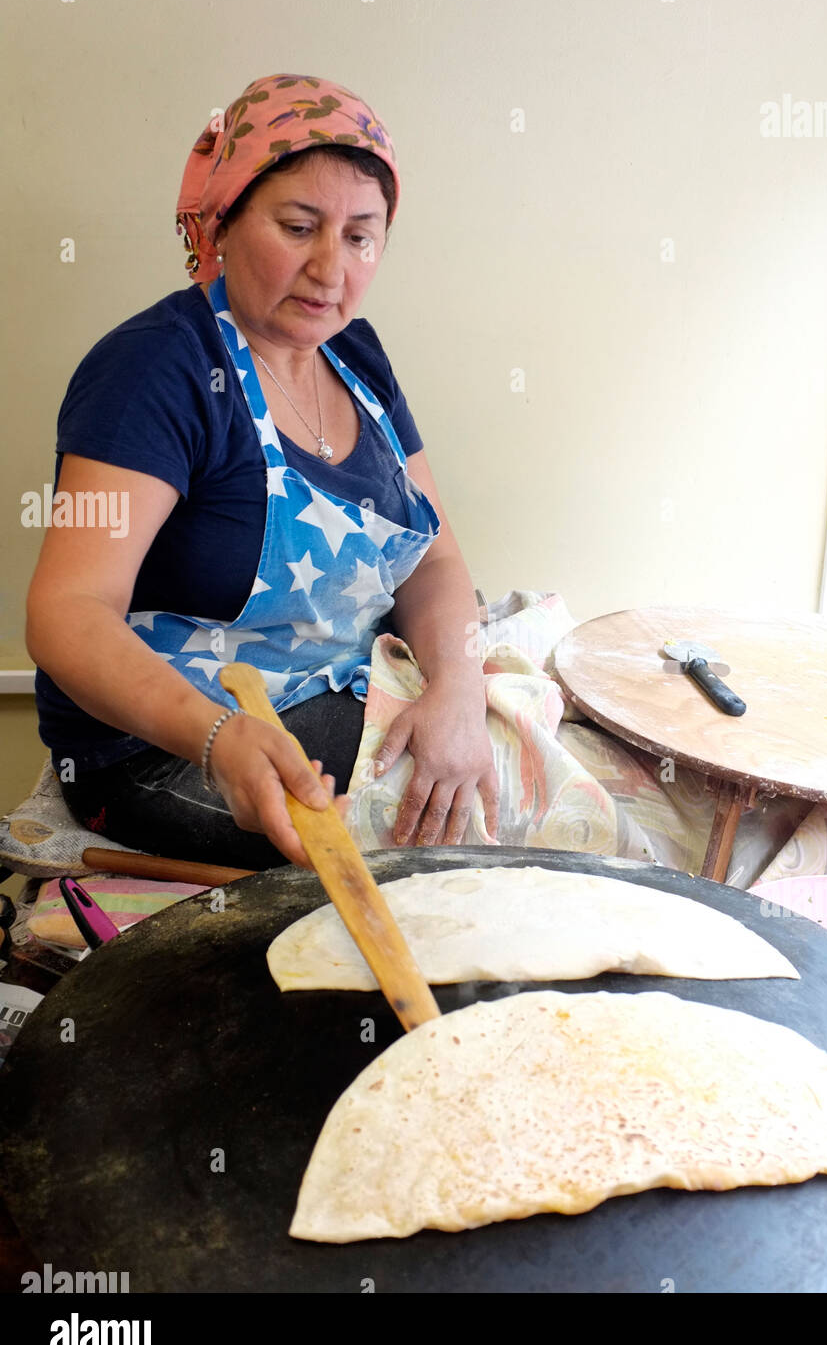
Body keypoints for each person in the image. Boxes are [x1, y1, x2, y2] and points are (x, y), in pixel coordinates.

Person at [26, 73, 498, 870]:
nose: (329, 267)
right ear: (223, 221)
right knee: (507, 806)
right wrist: (217, 735)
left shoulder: (355, 356)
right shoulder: (151, 372)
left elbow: (436, 557)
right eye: (297, 226)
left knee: (526, 730)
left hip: (336, 684)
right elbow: (67, 611)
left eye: (360, 235)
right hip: (165, 748)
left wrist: (458, 689)